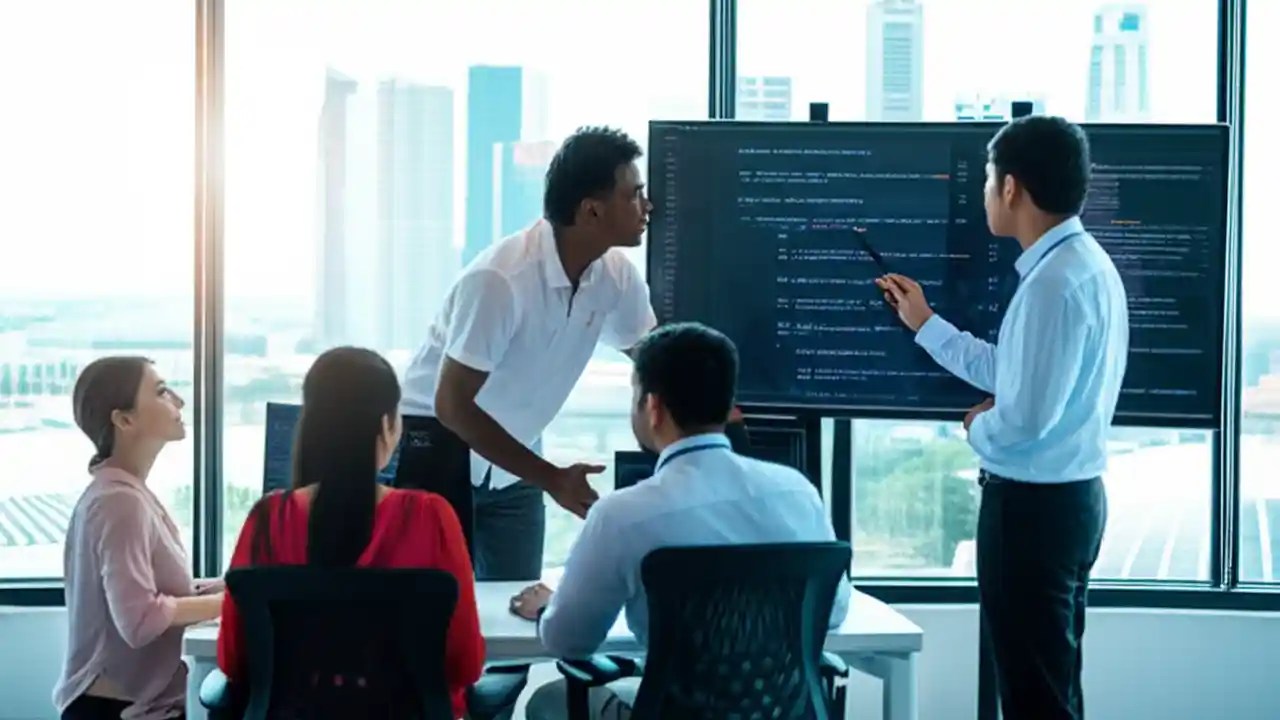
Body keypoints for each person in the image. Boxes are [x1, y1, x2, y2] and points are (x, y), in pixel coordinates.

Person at [875, 115, 1128, 720]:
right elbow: (1015, 376)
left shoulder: (1053, 285)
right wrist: (928, 325)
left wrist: (975, 428)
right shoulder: (1081, 266)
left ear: (1011, 188)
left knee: (1032, 695)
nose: (984, 194)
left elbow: (1024, 419)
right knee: (1053, 684)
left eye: (988, 181)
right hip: (1069, 503)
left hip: (1032, 514)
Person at [516, 322, 851, 720]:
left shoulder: (623, 515)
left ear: (653, 407)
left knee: (550, 700)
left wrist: (546, 609)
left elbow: (569, 641)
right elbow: (832, 610)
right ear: (728, 405)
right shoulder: (797, 493)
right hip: (778, 713)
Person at [399, 125, 657, 581]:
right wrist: (551, 477)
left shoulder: (616, 275)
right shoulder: (502, 280)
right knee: (433, 619)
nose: (646, 206)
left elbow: (657, 357)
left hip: (514, 456)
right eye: (634, 194)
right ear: (592, 210)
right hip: (436, 449)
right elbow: (451, 405)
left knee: (512, 610)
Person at [217, 347, 488, 720]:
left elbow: (236, 662)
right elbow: (464, 664)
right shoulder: (431, 517)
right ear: (387, 425)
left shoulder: (267, 520)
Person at [54, 357, 224, 720]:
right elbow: (141, 619)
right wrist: (228, 603)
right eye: (162, 391)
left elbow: (153, 593)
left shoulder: (125, 493)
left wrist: (233, 586)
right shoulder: (118, 502)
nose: (178, 400)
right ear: (124, 419)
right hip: (117, 711)